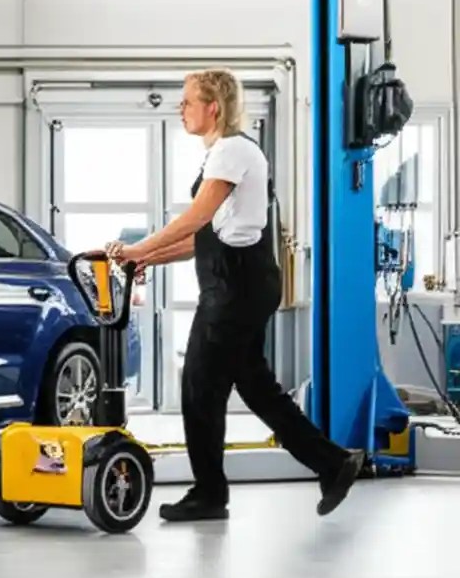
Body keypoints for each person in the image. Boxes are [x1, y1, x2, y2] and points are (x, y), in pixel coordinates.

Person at [105, 67, 364, 521]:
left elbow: (194, 218)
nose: (180, 109)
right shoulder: (225, 155)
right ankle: (333, 462)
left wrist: (134, 247)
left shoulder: (231, 151)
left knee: (199, 386)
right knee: (256, 387)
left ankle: (210, 492)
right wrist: (147, 260)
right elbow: (202, 238)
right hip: (241, 283)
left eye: (188, 101)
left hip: (234, 289)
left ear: (214, 107)